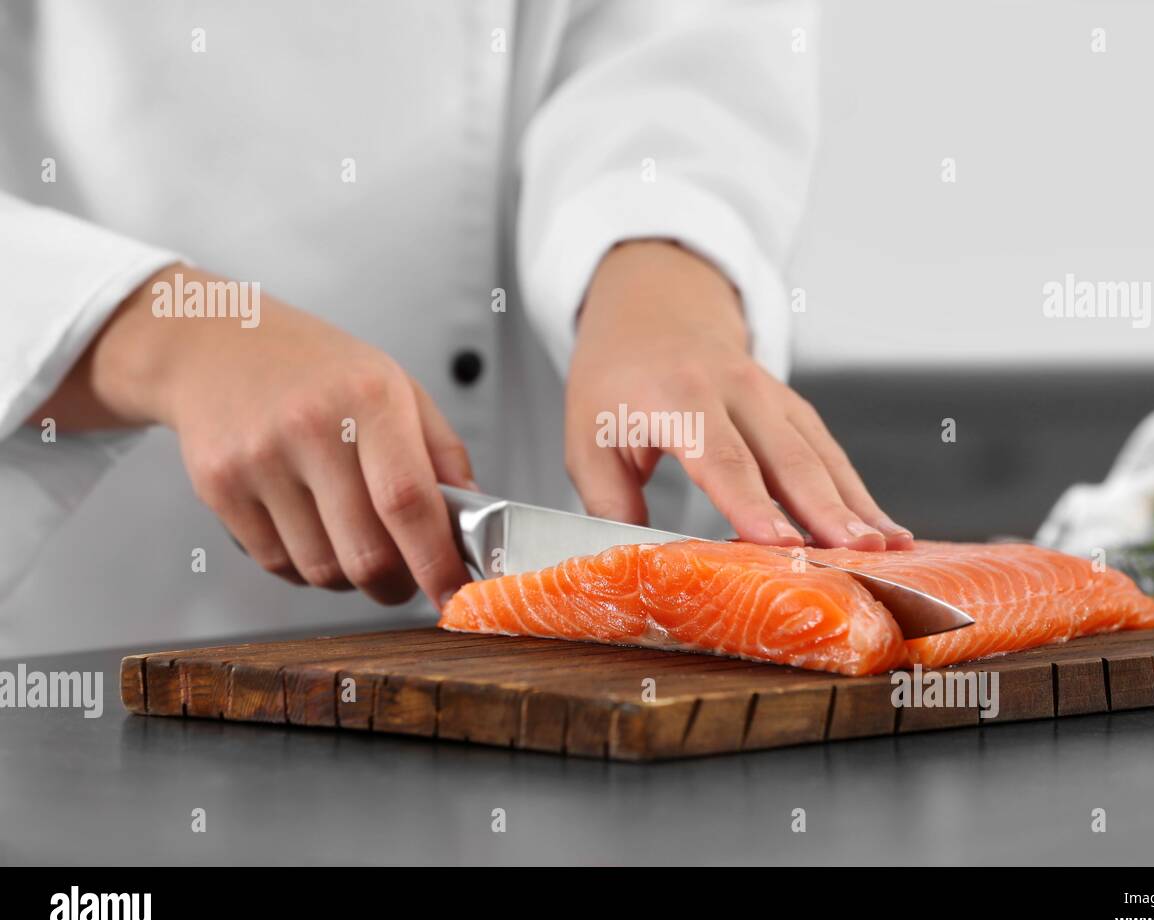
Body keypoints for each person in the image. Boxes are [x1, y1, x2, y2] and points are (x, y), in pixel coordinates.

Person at [0, 0, 910, 652]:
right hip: (96, 627)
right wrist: (166, 334)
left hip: (543, 673)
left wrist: (661, 286)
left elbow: (686, 51)